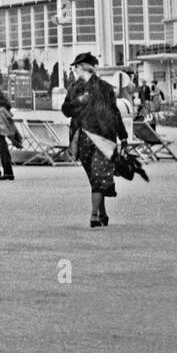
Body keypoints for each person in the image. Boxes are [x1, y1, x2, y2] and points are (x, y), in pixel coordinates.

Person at [62, 51, 143, 228]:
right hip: (83, 139)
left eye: (78, 67)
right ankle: (102, 213)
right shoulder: (75, 89)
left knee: (98, 176)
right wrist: (79, 102)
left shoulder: (105, 89)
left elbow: (114, 114)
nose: (76, 70)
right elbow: (66, 110)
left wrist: (123, 137)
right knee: (96, 177)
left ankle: (94, 216)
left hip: (102, 139)